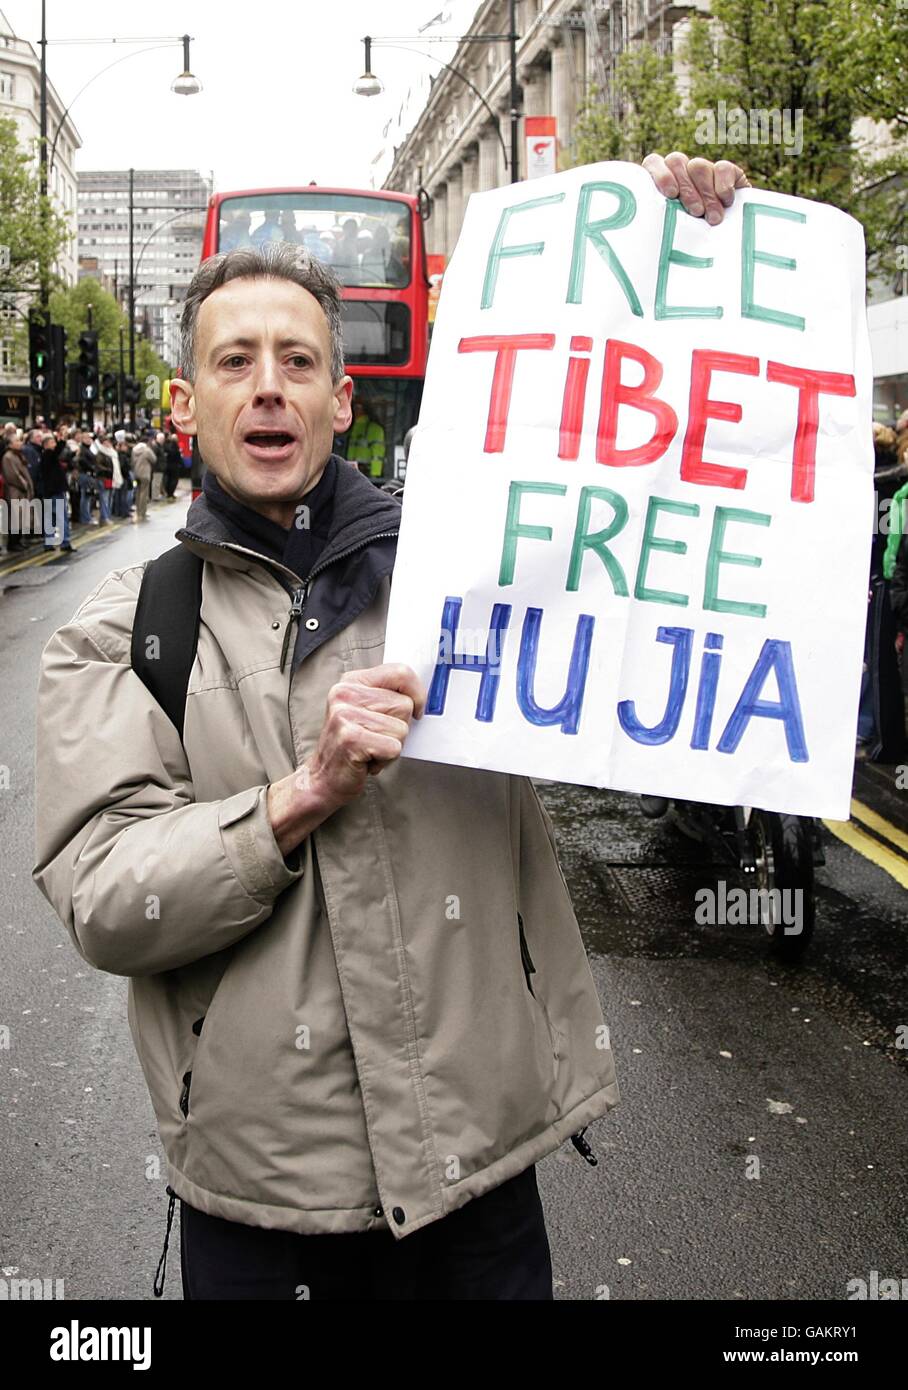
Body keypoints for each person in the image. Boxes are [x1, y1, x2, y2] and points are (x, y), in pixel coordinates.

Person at [32, 156, 738, 1302]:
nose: (269, 387)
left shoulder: (475, 575)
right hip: (262, 1203)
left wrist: (673, 262)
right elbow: (107, 898)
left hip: (481, 1182)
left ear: (339, 400)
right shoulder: (129, 626)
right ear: (186, 402)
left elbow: (640, 500)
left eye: (298, 361)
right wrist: (294, 798)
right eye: (234, 361)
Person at [39, 430, 72, 552]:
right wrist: (62, 440)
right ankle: (65, 542)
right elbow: (58, 450)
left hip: (49, 491)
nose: (54, 444)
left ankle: (49, 543)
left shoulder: (46, 456)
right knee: (61, 518)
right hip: (56, 491)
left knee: (50, 519)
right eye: (52, 441)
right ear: (46, 444)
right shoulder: (48, 454)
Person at [1, 430, 35, 550]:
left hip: (21, 492)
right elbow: (13, 475)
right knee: (15, 517)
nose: (20, 443)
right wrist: (25, 485)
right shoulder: (8, 457)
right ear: (9, 444)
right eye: (16, 441)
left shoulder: (18, 455)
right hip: (15, 492)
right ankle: (13, 542)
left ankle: (19, 540)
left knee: (21, 517)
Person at [346, 400, 386, 479]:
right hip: (351, 473)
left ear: (365, 410)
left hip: (366, 474)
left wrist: (374, 477)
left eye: (358, 407)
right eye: (353, 407)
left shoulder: (375, 429)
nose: (354, 410)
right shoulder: (351, 427)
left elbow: (377, 455)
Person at [130, 434, 155, 522]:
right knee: (144, 494)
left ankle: (137, 511)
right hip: (145, 474)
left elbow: (132, 462)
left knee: (138, 492)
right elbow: (154, 459)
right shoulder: (147, 450)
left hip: (136, 474)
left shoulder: (134, 450)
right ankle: (142, 513)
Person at [163, 431, 182, 500]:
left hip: (168, 465)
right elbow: (178, 456)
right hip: (174, 466)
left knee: (168, 479)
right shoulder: (176, 447)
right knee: (174, 480)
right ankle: (170, 493)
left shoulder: (167, 445)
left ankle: (169, 493)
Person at [151, 431, 166, 502]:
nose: (163, 441)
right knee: (156, 483)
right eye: (162, 439)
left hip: (159, 468)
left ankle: (156, 495)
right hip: (157, 468)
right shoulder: (156, 447)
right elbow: (154, 458)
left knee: (158, 482)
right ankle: (155, 496)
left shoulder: (158, 446)